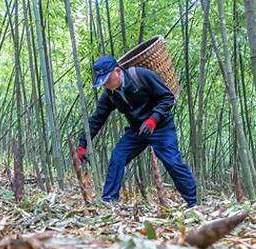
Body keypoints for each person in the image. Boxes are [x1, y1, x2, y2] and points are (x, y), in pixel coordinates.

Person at [77, 55, 197, 208]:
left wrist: (154, 118)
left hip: (161, 126)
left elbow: (167, 98)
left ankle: (193, 202)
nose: (106, 85)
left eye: (108, 79)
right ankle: (108, 201)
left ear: (117, 71)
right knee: (118, 156)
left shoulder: (141, 75)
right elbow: (97, 119)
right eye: (103, 82)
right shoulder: (110, 94)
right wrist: (82, 144)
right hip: (137, 130)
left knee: (172, 161)